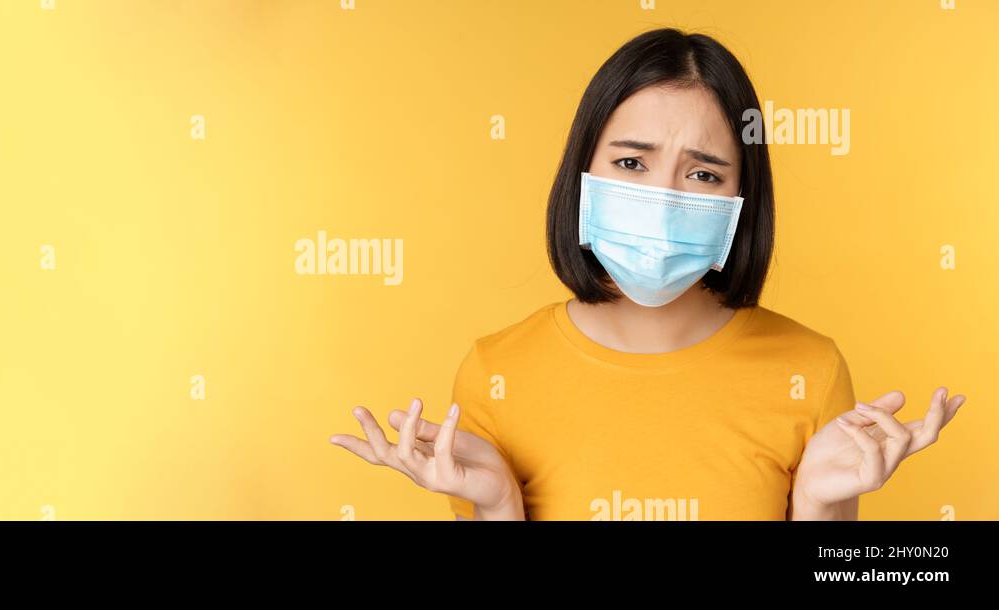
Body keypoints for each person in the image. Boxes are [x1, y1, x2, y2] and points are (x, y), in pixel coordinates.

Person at [328, 28, 967, 521]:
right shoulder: (495, 371)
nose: (662, 196)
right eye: (633, 163)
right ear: (583, 171)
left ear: (743, 200)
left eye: (703, 173)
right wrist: (499, 507)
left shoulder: (812, 367)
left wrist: (820, 512)